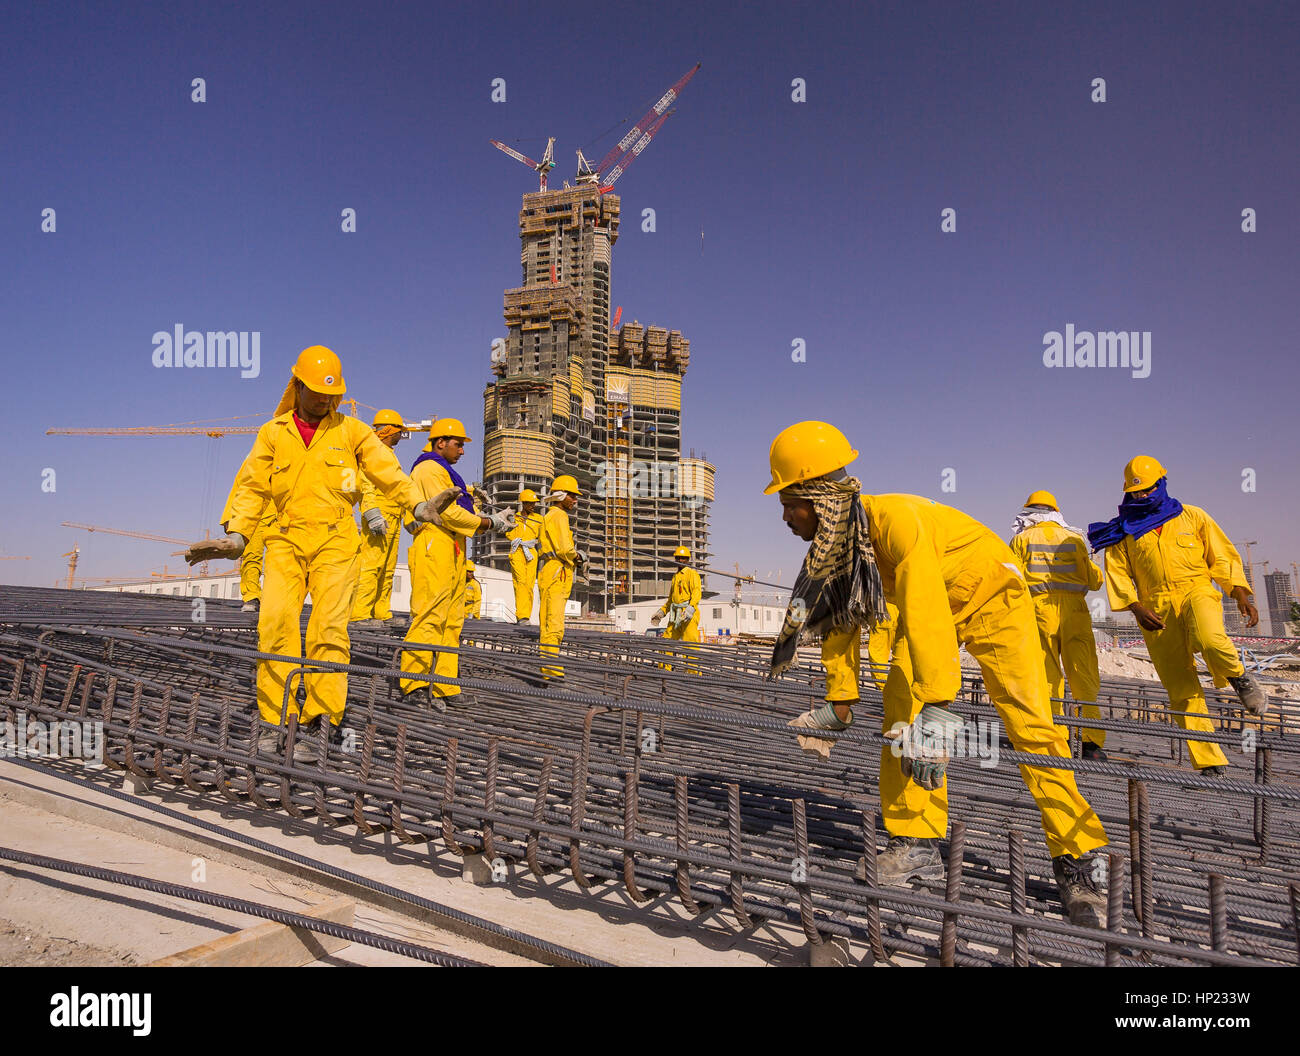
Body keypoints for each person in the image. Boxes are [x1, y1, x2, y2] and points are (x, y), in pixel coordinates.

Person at [766, 420, 1110, 926]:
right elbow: (841, 620)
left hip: (994, 600)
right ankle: (918, 844)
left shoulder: (896, 523)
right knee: (899, 717)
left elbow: (924, 605)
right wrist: (840, 701)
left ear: (818, 499)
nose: (785, 518)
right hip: (936, 611)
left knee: (1032, 727)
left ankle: (1078, 861)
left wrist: (940, 709)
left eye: (787, 505)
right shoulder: (839, 546)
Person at [184, 347, 453, 759]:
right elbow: (252, 486)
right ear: (297, 386)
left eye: (333, 394)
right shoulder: (273, 432)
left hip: (336, 541)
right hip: (286, 540)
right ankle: (277, 720)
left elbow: (387, 471)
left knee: (328, 631)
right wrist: (237, 536)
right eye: (317, 393)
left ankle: (320, 720)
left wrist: (417, 504)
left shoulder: (353, 431)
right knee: (275, 626)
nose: (326, 401)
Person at [1088, 456, 1267, 775]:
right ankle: (1210, 760)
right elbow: (1117, 572)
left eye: (1147, 490)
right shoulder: (1123, 532)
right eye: (1136, 492)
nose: (1141, 496)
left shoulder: (1192, 516)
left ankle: (1238, 676)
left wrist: (1240, 593)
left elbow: (1221, 556)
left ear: (1162, 483)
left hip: (1196, 590)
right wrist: (1134, 606)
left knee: (1210, 639)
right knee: (1181, 688)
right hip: (1153, 606)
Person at [399, 418, 513, 711]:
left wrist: (475, 500)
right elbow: (448, 514)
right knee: (429, 614)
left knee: (451, 620)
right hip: (433, 542)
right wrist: (489, 522)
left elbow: (457, 510)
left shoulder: (444, 472)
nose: (462, 450)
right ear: (441, 443)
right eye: (458, 444)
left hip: (450, 546)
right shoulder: (428, 469)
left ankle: (443, 684)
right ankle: (414, 683)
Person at [1009, 491, 1108, 760]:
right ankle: (1091, 743)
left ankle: (1056, 738)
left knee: (1048, 678)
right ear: (1055, 511)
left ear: (1029, 512)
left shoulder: (1021, 540)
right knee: (1083, 675)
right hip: (1075, 611)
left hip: (1038, 612)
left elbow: (1011, 581)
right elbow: (1095, 582)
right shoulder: (1074, 538)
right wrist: (1094, 560)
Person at [350, 409, 409, 630]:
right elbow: (364, 483)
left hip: (393, 518)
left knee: (387, 569)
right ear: (388, 430)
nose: (400, 436)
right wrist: (371, 512)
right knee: (371, 565)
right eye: (399, 431)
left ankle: (380, 612)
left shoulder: (388, 453)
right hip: (379, 517)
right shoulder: (372, 452)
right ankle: (360, 613)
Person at [537, 474, 584, 681]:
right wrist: (579, 556)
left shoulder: (550, 514)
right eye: (572, 496)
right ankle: (550, 668)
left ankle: (547, 666)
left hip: (550, 570)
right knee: (554, 622)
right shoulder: (560, 516)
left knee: (547, 621)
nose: (575, 500)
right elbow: (565, 548)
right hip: (558, 570)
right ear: (562, 495)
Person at [651, 546, 702, 672]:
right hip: (675, 613)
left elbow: (696, 592)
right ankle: (664, 669)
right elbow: (671, 599)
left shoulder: (692, 574)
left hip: (688, 613)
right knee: (667, 641)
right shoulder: (675, 577)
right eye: (678, 557)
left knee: (690, 643)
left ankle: (692, 673)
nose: (680, 560)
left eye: (683, 558)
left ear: (688, 560)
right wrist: (662, 612)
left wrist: (691, 607)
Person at [506, 489, 544, 624]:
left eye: (534, 503)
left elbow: (543, 536)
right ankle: (522, 616)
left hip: (531, 552)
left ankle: (526, 615)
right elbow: (507, 533)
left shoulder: (539, 519)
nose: (533, 506)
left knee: (529, 585)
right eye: (530, 503)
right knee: (520, 582)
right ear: (523, 503)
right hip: (517, 551)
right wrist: (510, 523)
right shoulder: (514, 517)